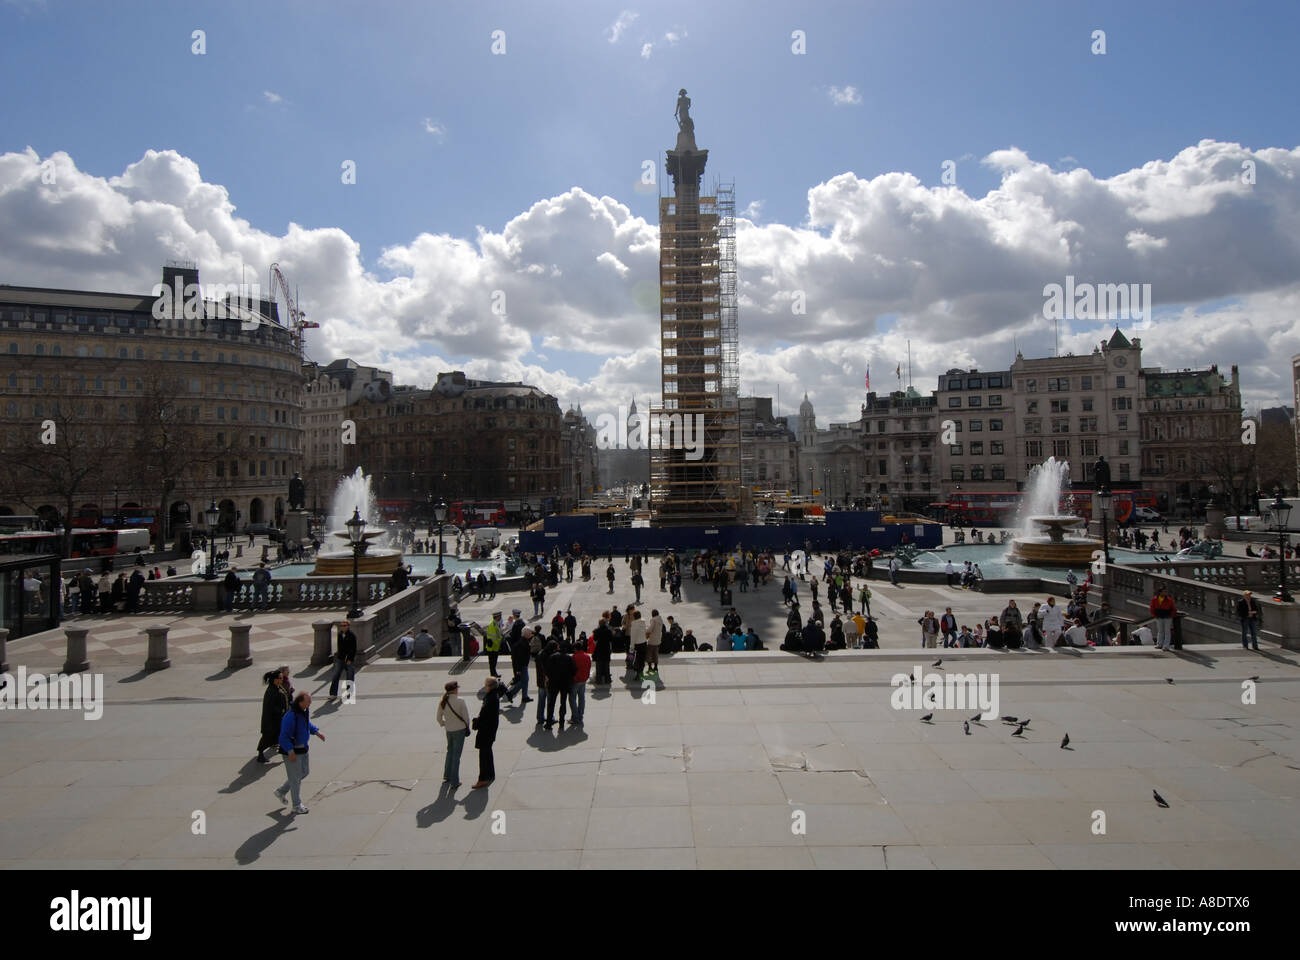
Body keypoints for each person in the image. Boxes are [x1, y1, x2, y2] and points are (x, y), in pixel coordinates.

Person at [275, 691, 325, 814]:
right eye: (308, 701)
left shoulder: (302, 712)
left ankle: (281, 791)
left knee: (304, 772)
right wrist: (290, 751)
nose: (310, 704)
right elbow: (283, 737)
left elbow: (306, 724)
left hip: (303, 750)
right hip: (293, 752)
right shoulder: (290, 716)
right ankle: (296, 805)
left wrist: (316, 732)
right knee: (295, 779)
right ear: (301, 702)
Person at [436, 680, 470, 787]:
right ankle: (455, 781)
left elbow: (438, 718)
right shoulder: (460, 701)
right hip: (459, 730)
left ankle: (447, 775)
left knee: (449, 752)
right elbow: (466, 717)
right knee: (456, 756)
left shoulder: (443, 702)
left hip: (449, 730)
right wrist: (466, 727)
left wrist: (444, 724)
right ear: (455, 690)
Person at [256, 667, 291, 763]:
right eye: (279, 678)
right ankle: (260, 754)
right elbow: (270, 707)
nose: (281, 679)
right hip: (271, 721)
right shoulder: (271, 691)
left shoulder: (278, 687)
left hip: (279, 719)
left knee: (281, 735)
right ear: (274, 679)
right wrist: (281, 710)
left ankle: (283, 750)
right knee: (267, 738)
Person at [472, 677, 501, 788]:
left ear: (489, 686)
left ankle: (483, 778)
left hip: (486, 731)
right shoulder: (494, 696)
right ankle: (490, 774)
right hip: (490, 730)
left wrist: (477, 723)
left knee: (484, 755)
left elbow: (485, 716)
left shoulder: (490, 699)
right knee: (487, 752)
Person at [544, 642, 575, 729]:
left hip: (553, 683)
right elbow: (574, 670)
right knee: (563, 702)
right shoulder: (569, 658)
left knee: (551, 703)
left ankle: (549, 723)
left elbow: (547, 670)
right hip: (565, 683)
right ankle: (561, 722)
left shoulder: (552, 657)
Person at [327, 620, 357, 701]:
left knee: (350, 676)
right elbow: (340, 647)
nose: (342, 627)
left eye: (344, 625)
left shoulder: (352, 635)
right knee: (335, 676)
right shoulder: (340, 635)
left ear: (348, 626)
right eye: (341, 625)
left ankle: (349, 693)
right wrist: (339, 657)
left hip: (349, 659)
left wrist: (350, 659)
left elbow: (353, 649)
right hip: (340, 659)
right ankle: (333, 694)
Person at [569, 641, 591, 724]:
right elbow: (588, 667)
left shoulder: (574, 657)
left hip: (575, 680)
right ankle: (580, 715)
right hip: (583, 679)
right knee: (582, 698)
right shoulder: (587, 656)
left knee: (572, 698)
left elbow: (571, 669)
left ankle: (575, 717)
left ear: (575, 648)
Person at [1150, 586, 1177, 651]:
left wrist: (1171, 615)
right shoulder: (1155, 599)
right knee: (1160, 631)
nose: (1165, 593)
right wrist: (1154, 615)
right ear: (1160, 592)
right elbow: (1152, 607)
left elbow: (1173, 609)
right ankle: (1159, 644)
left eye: (1166, 592)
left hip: (1167, 617)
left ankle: (1166, 646)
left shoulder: (1169, 600)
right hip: (1159, 616)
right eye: (1164, 591)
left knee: (1167, 631)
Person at [592, 615, 613, 684]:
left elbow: (594, 640)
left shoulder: (597, 631)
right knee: (607, 665)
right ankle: (607, 679)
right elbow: (611, 639)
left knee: (599, 665)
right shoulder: (608, 631)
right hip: (606, 649)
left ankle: (599, 680)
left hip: (599, 649)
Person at [484, 611, 505, 678]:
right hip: (492, 647)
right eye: (500, 616)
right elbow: (493, 637)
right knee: (492, 663)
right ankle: (493, 675)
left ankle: (494, 673)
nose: (501, 618)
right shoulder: (492, 624)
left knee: (494, 662)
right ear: (497, 617)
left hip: (495, 647)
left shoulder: (495, 623)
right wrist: (500, 641)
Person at [628, 609, 648, 679]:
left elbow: (633, 636)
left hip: (637, 644)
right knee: (642, 659)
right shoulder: (643, 622)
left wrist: (632, 646)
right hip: (644, 643)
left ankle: (637, 674)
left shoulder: (634, 624)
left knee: (637, 659)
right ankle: (641, 671)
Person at [646, 609, 664, 673]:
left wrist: (646, 630)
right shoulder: (660, 620)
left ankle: (650, 667)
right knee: (656, 653)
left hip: (652, 640)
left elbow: (650, 629)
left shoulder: (653, 620)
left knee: (649, 654)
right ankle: (656, 667)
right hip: (658, 640)